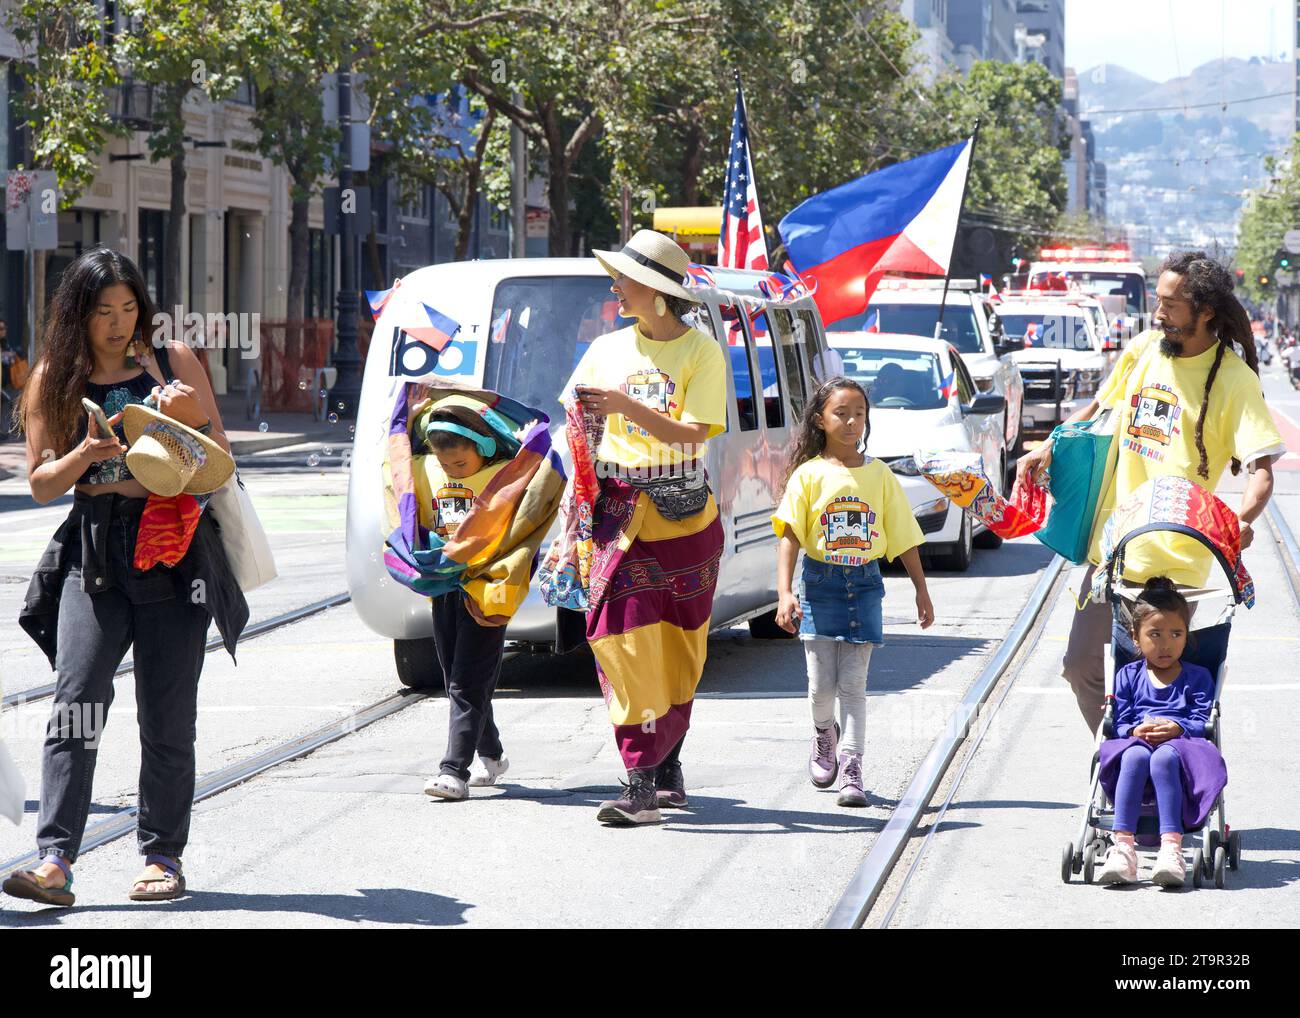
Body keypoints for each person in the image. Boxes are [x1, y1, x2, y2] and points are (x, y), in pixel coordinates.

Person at [3, 248, 247, 907]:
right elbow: (41, 484)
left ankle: (161, 857)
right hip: (97, 553)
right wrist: (88, 450)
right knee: (75, 701)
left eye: (129, 307)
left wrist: (189, 417)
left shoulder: (173, 362)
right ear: (78, 315)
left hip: (174, 549)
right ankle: (53, 860)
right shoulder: (55, 376)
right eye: (104, 311)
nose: (118, 322)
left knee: (167, 715)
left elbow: (219, 460)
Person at [1017, 252, 1282, 733]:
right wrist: (1048, 447)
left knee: (1154, 681)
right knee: (1080, 667)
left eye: (1170, 305)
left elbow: (1262, 471)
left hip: (1178, 559)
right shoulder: (1142, 349)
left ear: (1204, 312)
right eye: (1158, 302)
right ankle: (1121, 756)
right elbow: (1096, 410)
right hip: (1113, 551)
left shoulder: (1233, 380)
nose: (1158, 314)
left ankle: (1152, 773)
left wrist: (1242, 520)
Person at [564, 229, 727, 826]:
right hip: (617, 515)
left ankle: (667, 763)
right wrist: (572, 504)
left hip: (685, 521)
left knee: (680, 650)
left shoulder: (701, 353)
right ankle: (639, 784)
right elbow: (577, 422)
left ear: (657, 292)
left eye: (624, 280)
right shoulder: (606, 348)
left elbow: (695, 434)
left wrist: (626, 407)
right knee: (618, 641)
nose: (615, 288)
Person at [771, 377, 935, 807]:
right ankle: (825, 734)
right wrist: (784, 592)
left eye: (859, 413)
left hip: (864, 584)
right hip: (819, 585)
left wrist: (921, 590)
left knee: (855, 686)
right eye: (840, 413)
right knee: (820, 686)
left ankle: (852, 766)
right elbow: (789, 535)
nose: (850, 422)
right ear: (820, 420)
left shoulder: (879, 475)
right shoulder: (808, 475)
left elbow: (903, 536)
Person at [1095, 578, 1227, 887]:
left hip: (1185, 745)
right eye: (1155, 634)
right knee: (1135, 756)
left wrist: (1178, 727)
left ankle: (1171, 847)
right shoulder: (1128, 675)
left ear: (1186, 637)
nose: (1166, 644)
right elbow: (1121, 720)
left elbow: (1201, 720)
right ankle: (1124, 846)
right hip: (1137, 740)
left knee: (1165, 757)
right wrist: (1135, 729)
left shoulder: (1198, 677)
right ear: (1136, 637)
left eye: (1176, 634)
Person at [418, 404, 519, 800]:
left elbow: (537, 462)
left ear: (484, 448)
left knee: (466, 680)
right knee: (455, 677)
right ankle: (491, 755)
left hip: (489, 588)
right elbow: (398, 452)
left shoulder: (506, 475)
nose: (454, 470)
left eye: (461, 462)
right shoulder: (429, 467)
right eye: (446, 464)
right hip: (445, 586)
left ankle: (453, 771)